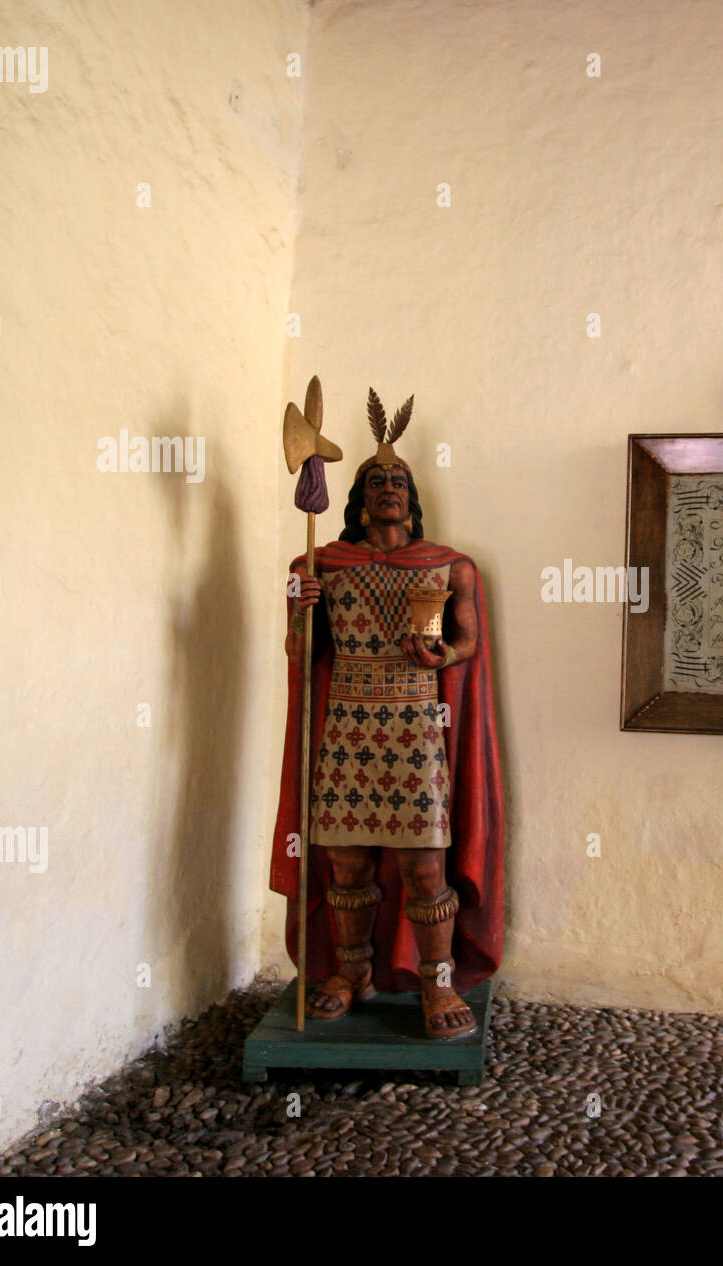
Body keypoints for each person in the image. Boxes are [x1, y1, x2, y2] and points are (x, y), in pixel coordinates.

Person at [270, 398, 504, 1038]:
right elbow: (301, 655)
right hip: (346, 728)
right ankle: (350, 973)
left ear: (413, 497)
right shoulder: (319, 565)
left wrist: (440, 654)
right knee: (347, 865)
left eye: (399, 482)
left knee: (424, 866)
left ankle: (437, 984)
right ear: (358, 498)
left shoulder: (448, 565)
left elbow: (467, 644)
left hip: (415, 730)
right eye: (377, 482)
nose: (389, 489)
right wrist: (303, 607)